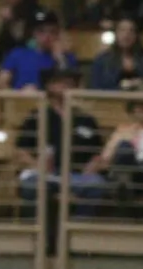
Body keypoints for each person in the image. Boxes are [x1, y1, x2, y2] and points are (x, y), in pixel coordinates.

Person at [15, 68, 106, 216]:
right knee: (33, 185)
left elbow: (97, 153)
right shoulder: (36, 116)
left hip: (76, 176)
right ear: (49, 86)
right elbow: (21, 150)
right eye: (61, 81)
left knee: (96, 183)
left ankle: (79, 229)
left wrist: (91, 168)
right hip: (43, 174)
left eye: (70, 82)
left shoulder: (86, 119)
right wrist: (37, 166)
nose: (67, 85)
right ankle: (41, 233)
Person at [0, 12, 76, 91]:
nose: (47, 36)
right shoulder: (17, 54)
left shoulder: (67, 57)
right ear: (34, 33)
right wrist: (19, 95)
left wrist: (60, 59)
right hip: (21, 100)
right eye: (41, 31)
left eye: (52, 31)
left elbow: (73, 87)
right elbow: (1, 83)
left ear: (58, 34)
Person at [86, 15, 143, 90]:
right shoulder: (102, 60)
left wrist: (141, 84)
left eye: (131, 31)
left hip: (142, 103)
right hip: (110, 103)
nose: (126, 35)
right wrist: (123, 87)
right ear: (116, 34)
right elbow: (94, 88)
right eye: (122, 30)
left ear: (136, 35)